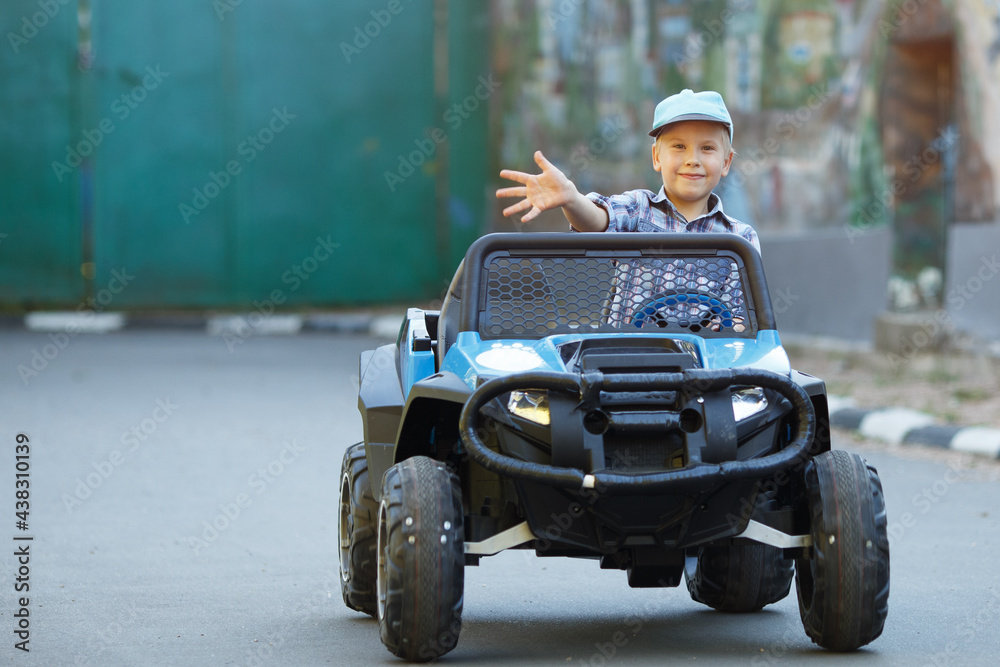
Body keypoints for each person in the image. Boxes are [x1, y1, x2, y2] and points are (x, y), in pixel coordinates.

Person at [495, 89, 759, 330]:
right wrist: (571, 198)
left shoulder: (739, 238)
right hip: (624, 365)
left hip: (705, 372)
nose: (692, 159)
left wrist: (728, 329)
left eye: (707, 148)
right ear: (657, 157)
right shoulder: (638, 209)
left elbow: (741, 316)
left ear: (726, 162)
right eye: (679, 146)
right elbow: (598, 221)